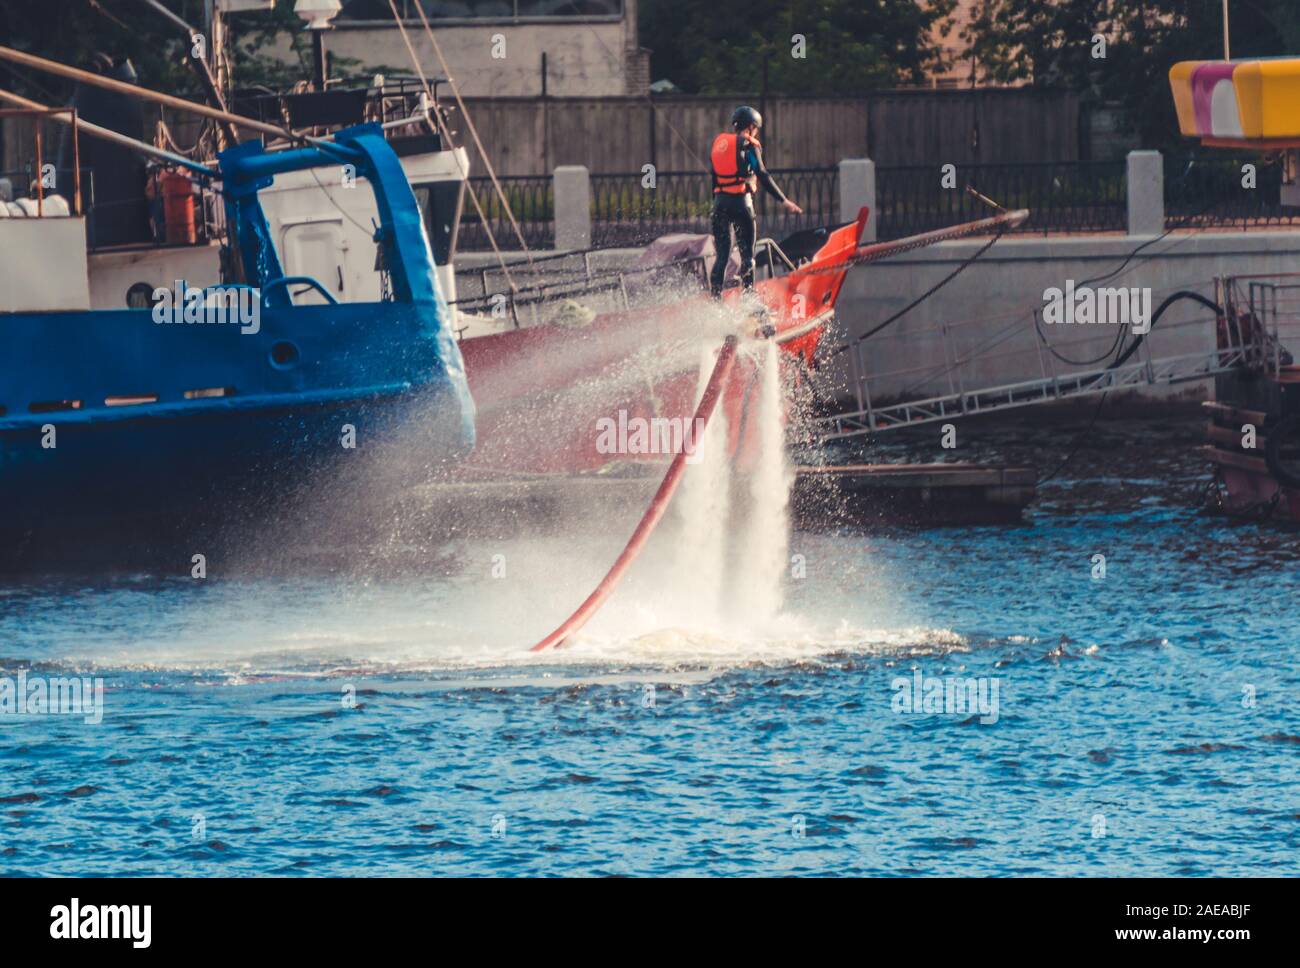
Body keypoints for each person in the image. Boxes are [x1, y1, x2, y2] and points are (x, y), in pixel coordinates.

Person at [708, 105, 802, 299]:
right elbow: (762, 173)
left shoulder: (720, 144)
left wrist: (717, 203)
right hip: (741, 204)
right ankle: (749, 299)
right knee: (747, 257)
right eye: (756, 128)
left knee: (722, 256)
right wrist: (784, 201)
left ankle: (715, 300)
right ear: (751, 127)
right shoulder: (749, 145)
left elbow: (714, 177)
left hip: (719, 204)